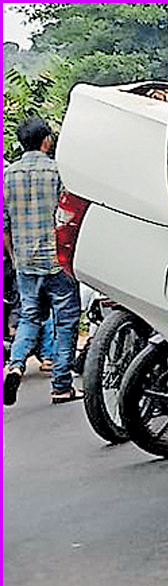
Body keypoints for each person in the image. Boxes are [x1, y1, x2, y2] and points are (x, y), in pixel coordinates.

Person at [3, 116, 82, 406]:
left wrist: (15, 258)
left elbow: (4, 225)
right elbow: (70, 215)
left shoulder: (7, 176)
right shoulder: (59, 171)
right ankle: (61, 386)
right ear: (46, 141)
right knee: (66, 321)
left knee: (29, 316)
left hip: (25, 262)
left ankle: (15, 364)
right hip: (58, 260)